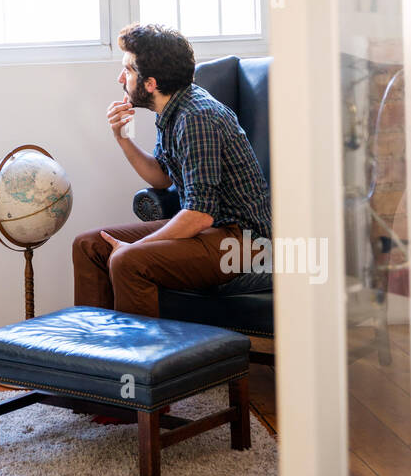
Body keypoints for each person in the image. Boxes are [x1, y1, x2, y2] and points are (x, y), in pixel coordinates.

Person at [72, 22, 272, 317]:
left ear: (150, 83)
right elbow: (162, 178)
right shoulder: (171, 110)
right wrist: (122, 138)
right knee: (89, 246)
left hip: (244, 242)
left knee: (128, 261)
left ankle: (141, 360)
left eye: (127, 70)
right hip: (213, 230)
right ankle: (96, 354)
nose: (120, 78)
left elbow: (200, 215)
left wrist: (135, 247)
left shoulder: (196, 117)